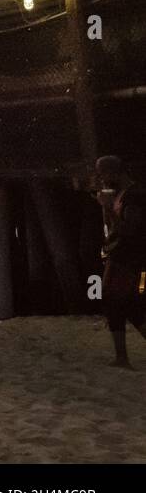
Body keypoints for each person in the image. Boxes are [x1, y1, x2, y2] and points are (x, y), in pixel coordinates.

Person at [93, 155, 146, 367]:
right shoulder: (122, 195)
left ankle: (122, 357)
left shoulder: (134, 196)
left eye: (102, 173)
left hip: (129, 257)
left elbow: (129, 231)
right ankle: (121, 357)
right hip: (123, 255)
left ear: (114, 172)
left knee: (115, 301)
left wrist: (107, 208)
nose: (101, 178)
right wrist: (105, 207)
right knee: (129, 305)